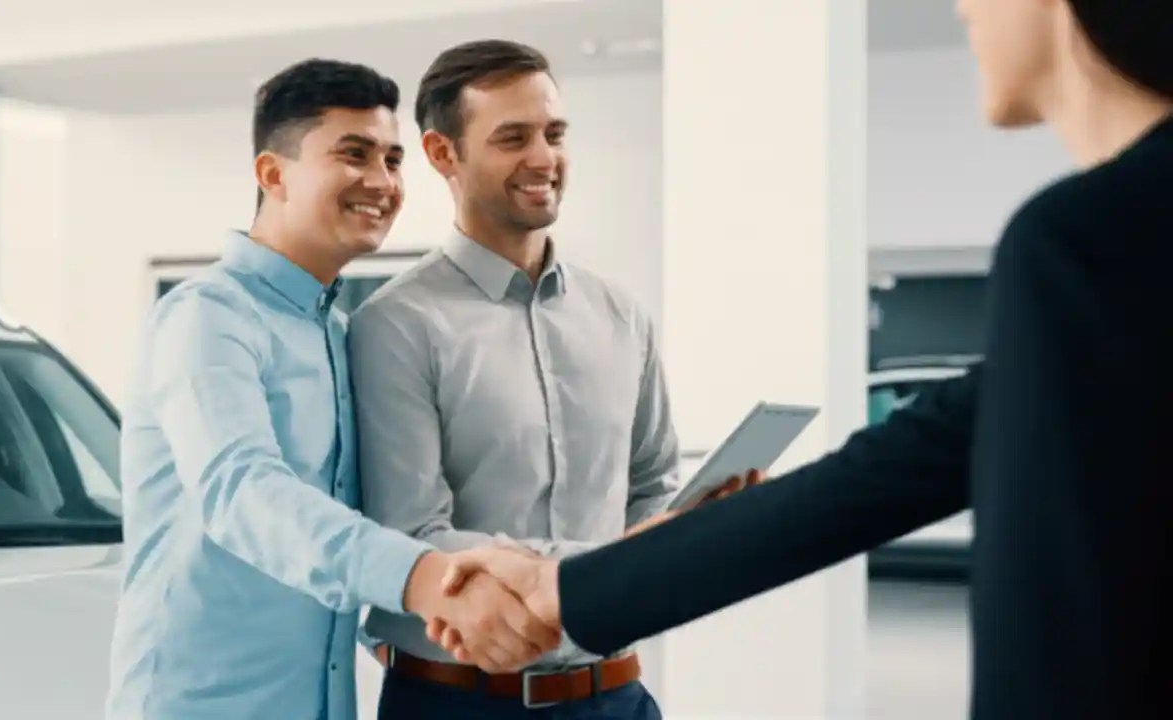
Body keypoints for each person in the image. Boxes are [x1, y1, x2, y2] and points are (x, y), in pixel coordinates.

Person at [435, 0, 1173, 717]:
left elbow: (1077, 621)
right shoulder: (1112, 242)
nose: (963, 11)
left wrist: (550, 590)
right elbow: (887, 476)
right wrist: (563, 589)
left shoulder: (1087, 240)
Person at [104, 58, 558, 720]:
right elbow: (243, 492)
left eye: (394, 159)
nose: (382, 181)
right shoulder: (207, 317)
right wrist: (427, 580)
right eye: (354, 154)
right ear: (272, 174)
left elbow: (358, 528)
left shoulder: (343, 333)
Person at [346, 39, 742, 719]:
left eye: (555, 134)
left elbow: (650, 483)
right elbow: (412, 530)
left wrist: (686, 530)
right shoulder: (395, 324)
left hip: (616, 695)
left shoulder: (620, 315)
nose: (544, 159)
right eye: (513, 138)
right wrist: (606, 568)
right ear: (444, 155)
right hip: (459, 703)